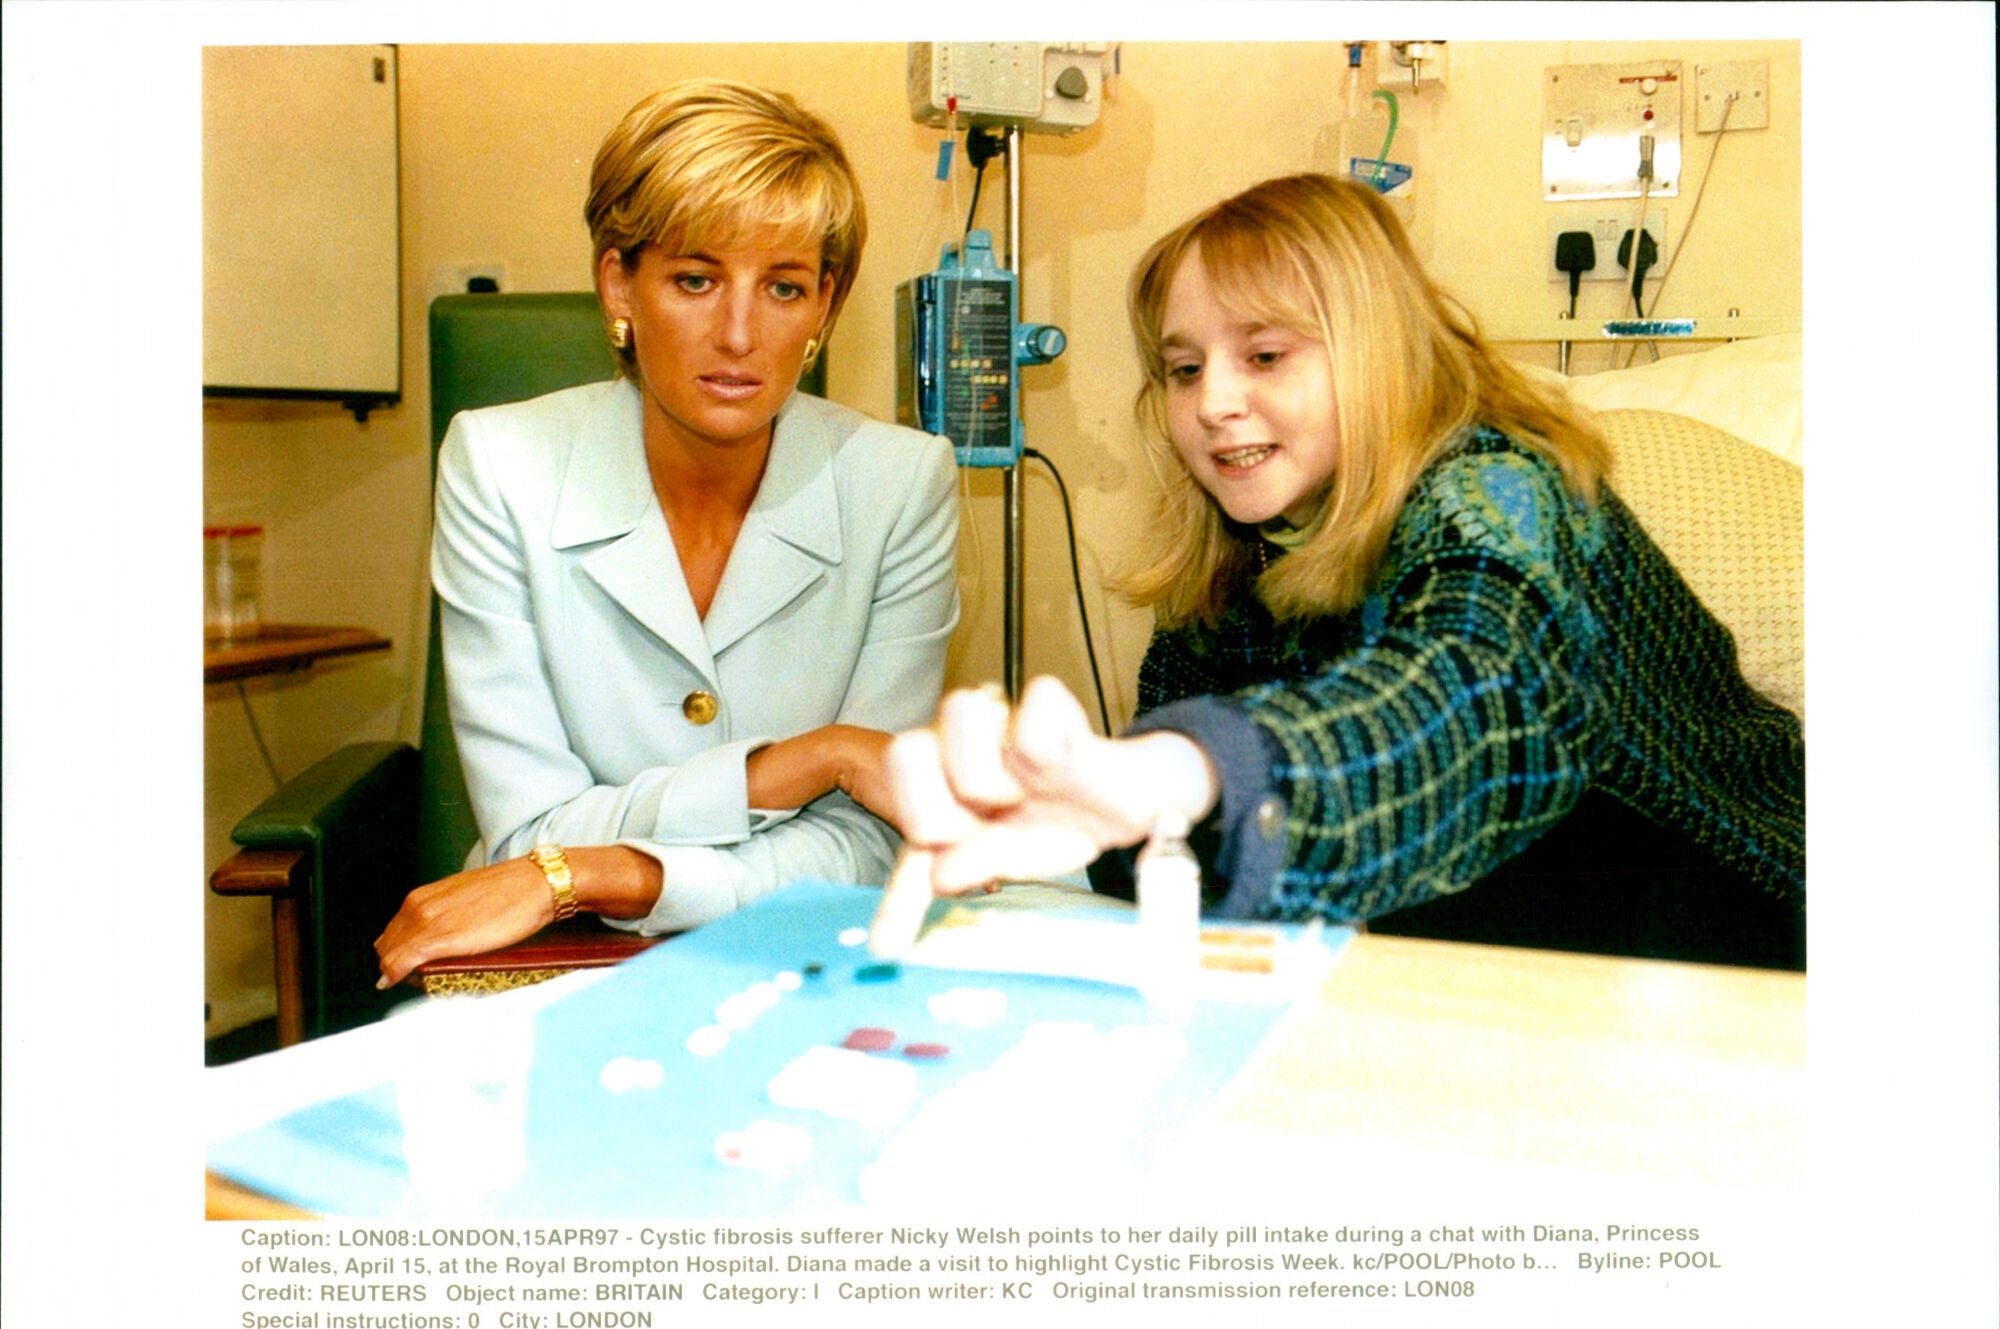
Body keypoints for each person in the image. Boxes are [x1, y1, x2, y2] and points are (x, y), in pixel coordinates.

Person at [886, 173, 1804, 969]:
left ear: (1378, 353)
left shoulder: (1501, 489)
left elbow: (1465, 700)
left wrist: (1188, 772)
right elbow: (1182, 827)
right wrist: (1086, 804)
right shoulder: (1236, 559)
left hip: (1722, 921)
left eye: (1266, 356)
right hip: (1459, 934)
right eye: (1181, 368)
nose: (1212, 403)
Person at [375, 80, 959, 986]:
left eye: (784, 287)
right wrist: (815, 760)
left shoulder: (901, 485)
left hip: (798, 950)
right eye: (695, 279)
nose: (739, 334)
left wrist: (618, 872)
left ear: (824, 305)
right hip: (554, 954)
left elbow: (871, 842)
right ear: (619, 281)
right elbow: (531, 831)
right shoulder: (499, 467)